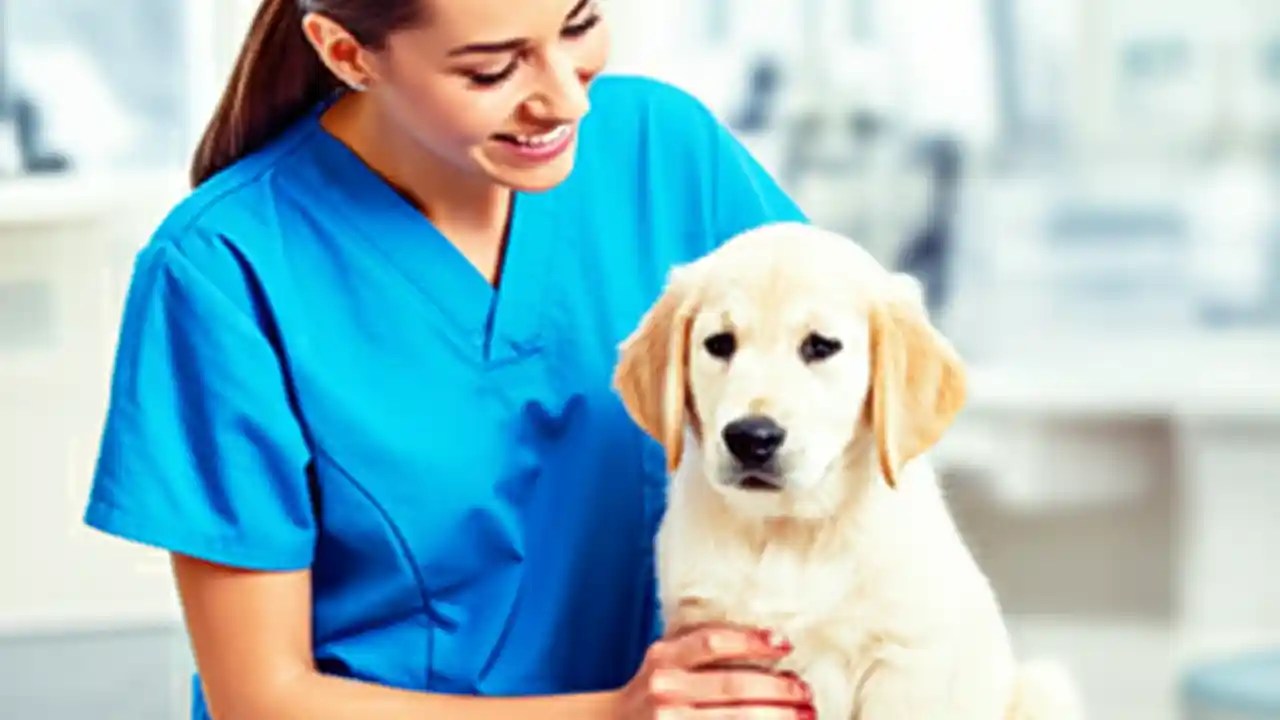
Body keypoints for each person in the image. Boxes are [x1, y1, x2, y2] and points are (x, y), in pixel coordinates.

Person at [82, 0, 814, 717]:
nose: (566, 99)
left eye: (580, 24)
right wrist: (611, 715)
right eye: (493, 70)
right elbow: (264, 697)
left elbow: (847, 401)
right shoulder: (223, 268)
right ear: (346, 53)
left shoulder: (665, 149)